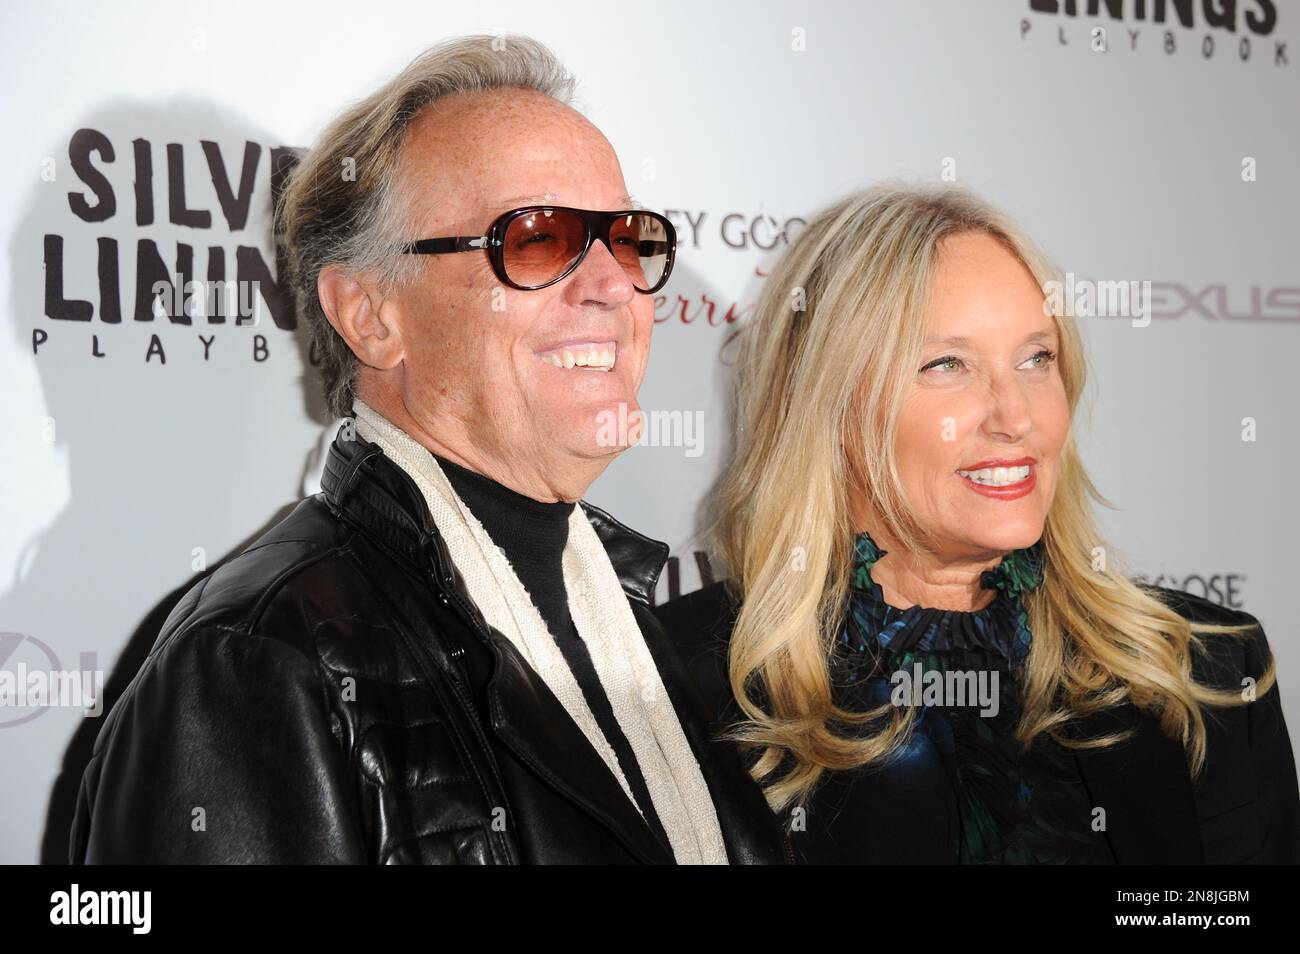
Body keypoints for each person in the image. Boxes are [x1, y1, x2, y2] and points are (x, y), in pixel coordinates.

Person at [69, 35, 786, 865]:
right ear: (371, 314)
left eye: (625, 238)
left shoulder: (628, 623)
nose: (613, 285)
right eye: (536, 239)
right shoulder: (254, 666)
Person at [656, 183, 1300, 864]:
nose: (1016, 416)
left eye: (1036, 358)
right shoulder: (680, 693)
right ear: (831, 406)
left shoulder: (1206, 670)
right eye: (947, 364)